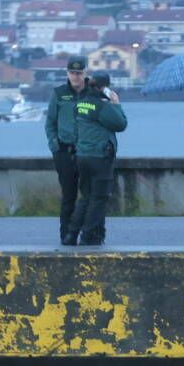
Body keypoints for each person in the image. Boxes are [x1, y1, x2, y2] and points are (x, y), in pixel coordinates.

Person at [63, 72, 127, 246]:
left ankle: (71, 234)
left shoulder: (79, 105)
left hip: (82, 156)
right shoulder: (102, 107)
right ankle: (87, 236)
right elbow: (121, 124)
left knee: (85, 197)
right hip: (100, 156)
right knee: (99, 198)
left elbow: (74, 130)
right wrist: (116, 104)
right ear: (103, 87)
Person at [45, 56, 88, 242]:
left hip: (88, 152)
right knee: (68, 195)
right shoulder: (59, 93)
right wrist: (55, 147)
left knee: (88, 196)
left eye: (79, 73)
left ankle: (87, 234)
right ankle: (66, 235)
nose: (75, 77)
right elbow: (50, 123)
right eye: (72, 73)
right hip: (64, 151)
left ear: (85, 73)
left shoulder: (92, 93)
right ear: (67, 73)